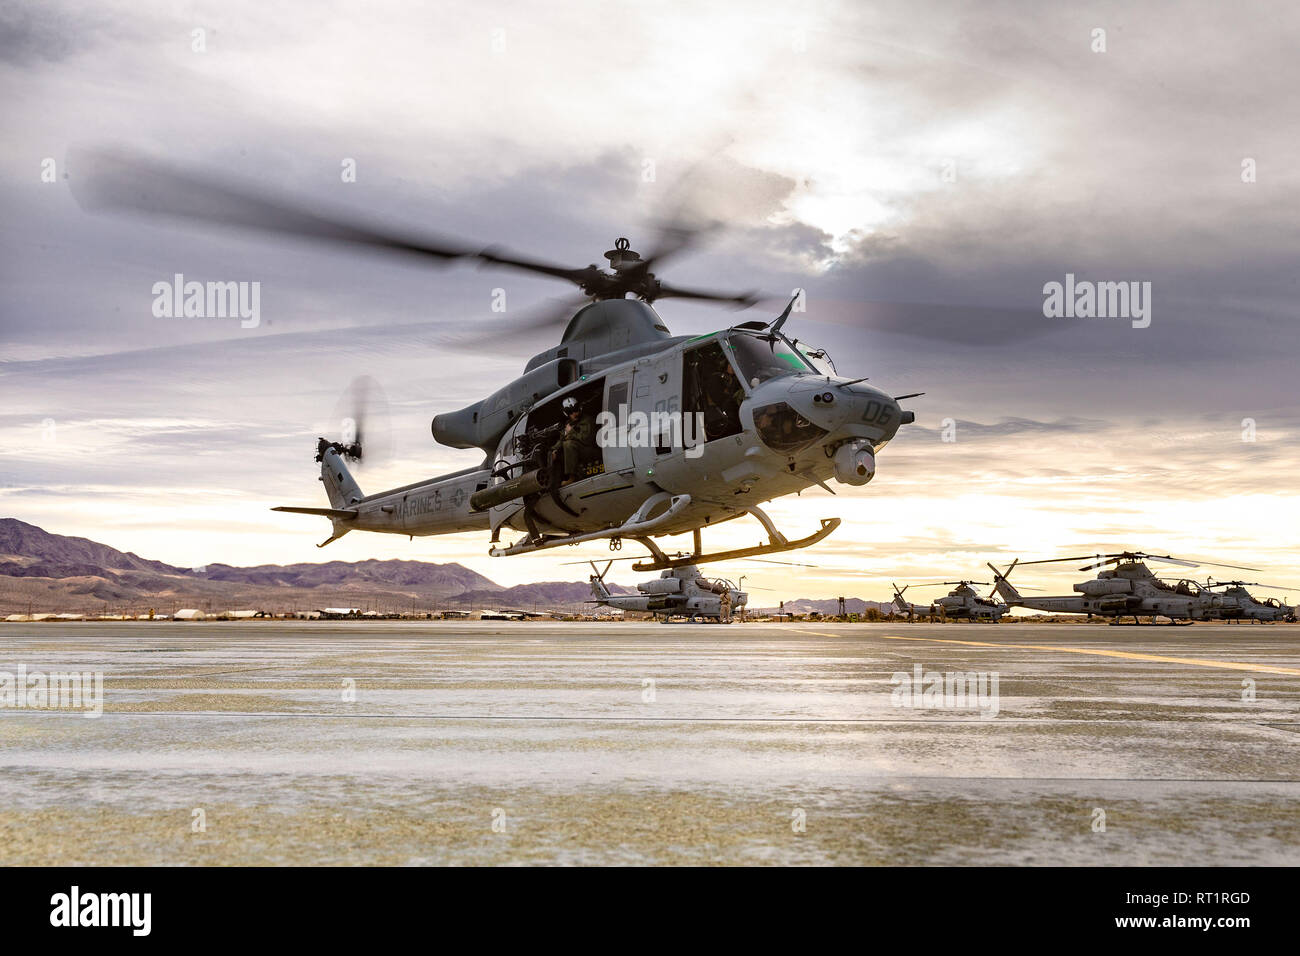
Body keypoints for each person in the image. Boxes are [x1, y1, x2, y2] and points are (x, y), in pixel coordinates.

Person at [558, 396, 595, 483]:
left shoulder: (587, 420)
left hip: (591, 450)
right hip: (580, 451)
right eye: (570, 412)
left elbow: (587, 440)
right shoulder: (568, 424)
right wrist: (554, 450)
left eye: (576, 410)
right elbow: (562, 440)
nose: (575, 413)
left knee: (569, 444)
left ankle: (572, 477)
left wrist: (571, 432)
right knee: (556, 452)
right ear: (566, 413)